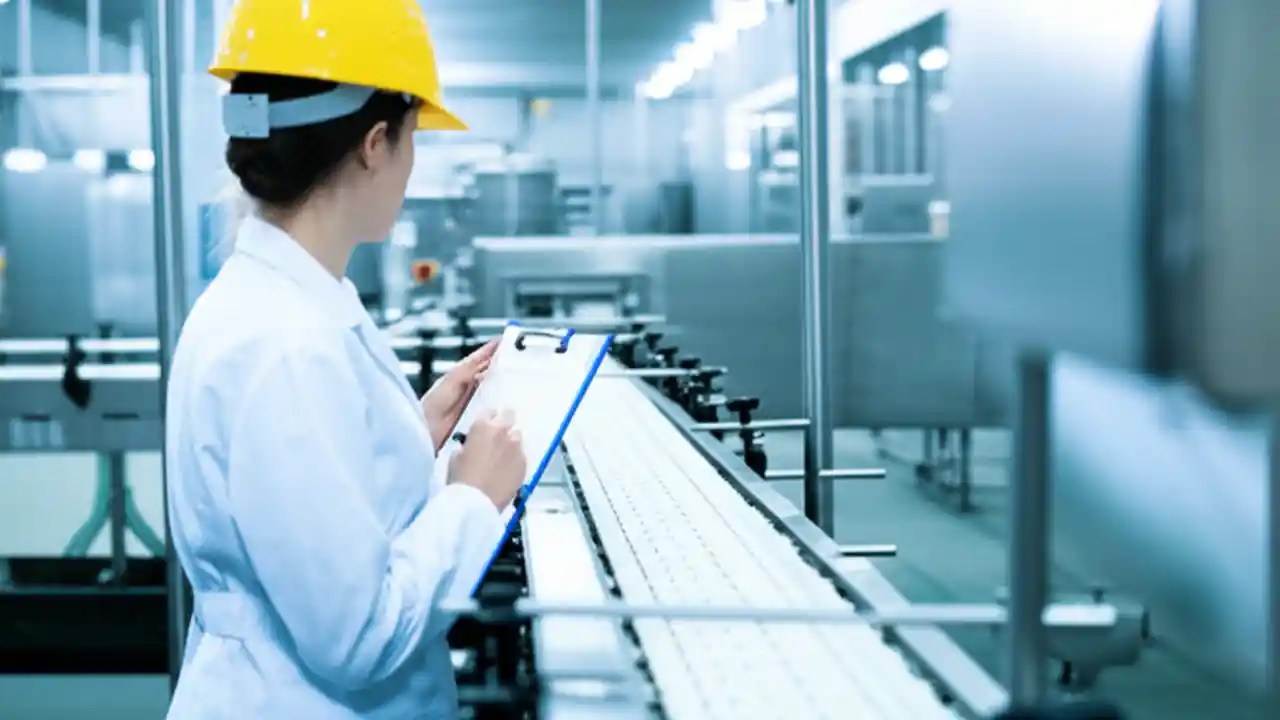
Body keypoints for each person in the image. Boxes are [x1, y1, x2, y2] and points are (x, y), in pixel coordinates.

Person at [163, 1, 526, 717]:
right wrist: (472, 501)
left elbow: (300, 503)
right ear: (375, 142)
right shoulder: (284, 345)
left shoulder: (282, 303)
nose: (412, 162)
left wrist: (409, 436)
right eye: (414, 136)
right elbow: (358, 637)